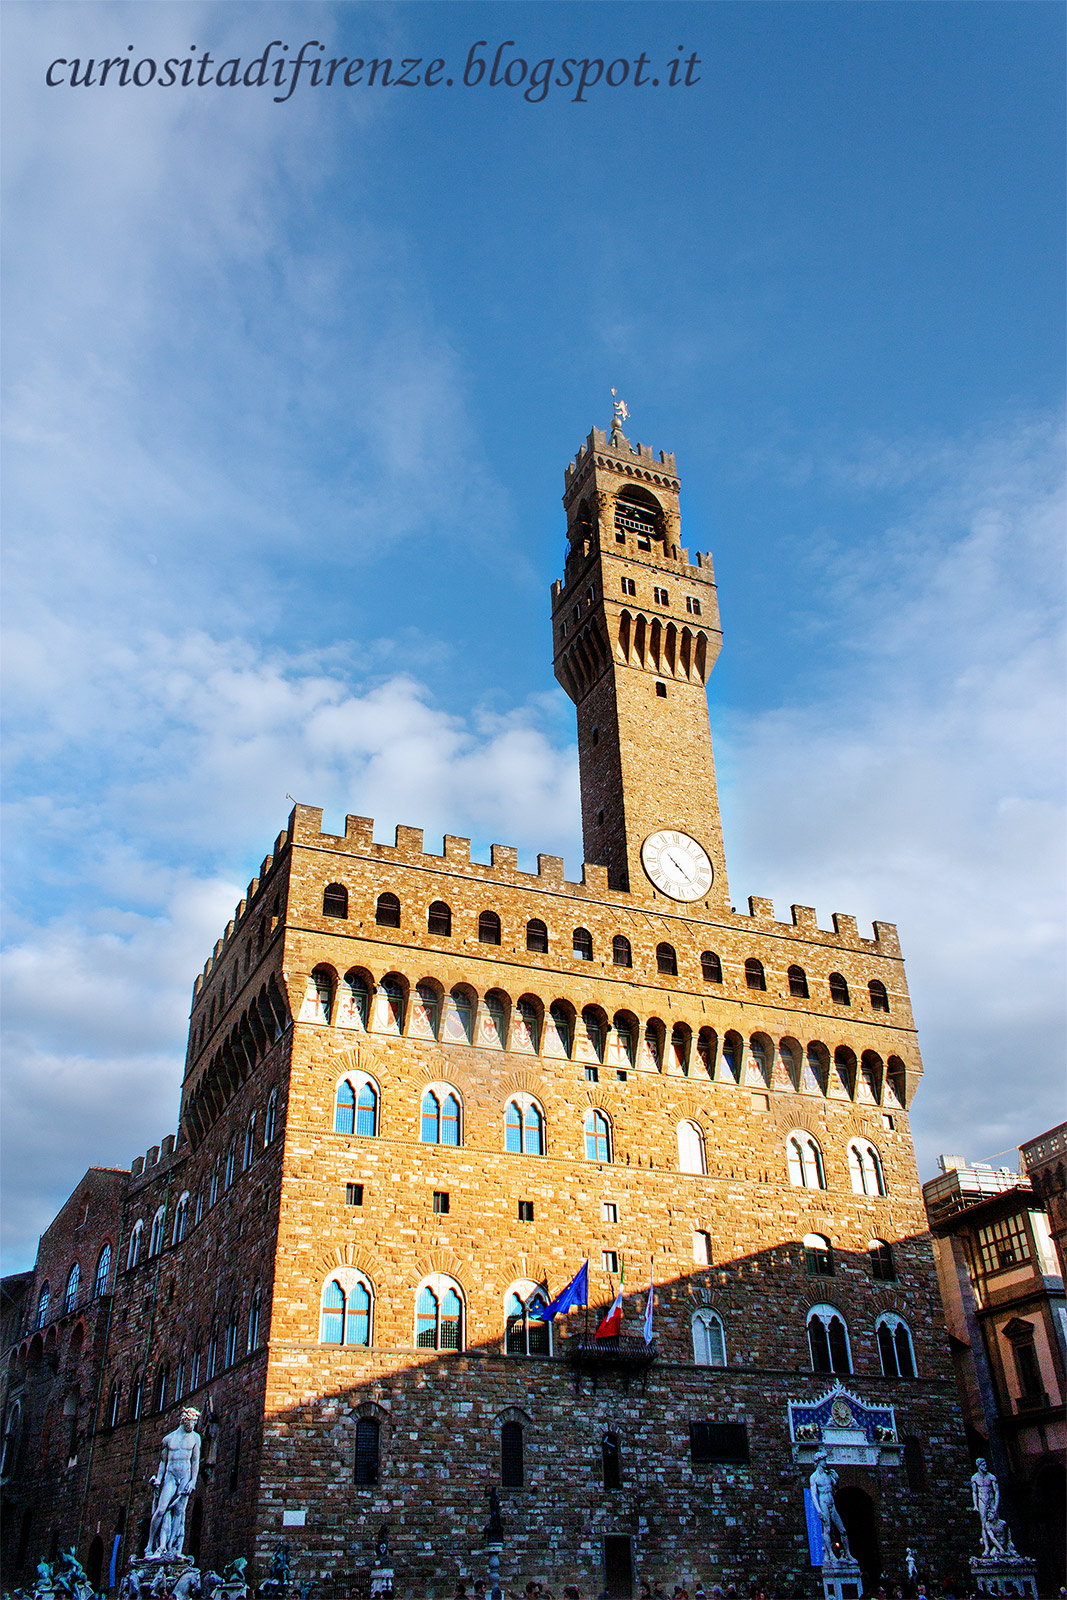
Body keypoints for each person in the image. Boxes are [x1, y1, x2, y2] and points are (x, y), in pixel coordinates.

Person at [147, 1408, 201, 1557]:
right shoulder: (168, 1439)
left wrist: (193, 1481)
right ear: (185, 1420)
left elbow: (195, 1461)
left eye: (195, 1422)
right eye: (192, 1422)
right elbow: (163, 1463)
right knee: (161, 1509)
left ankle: (173, 1547)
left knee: (179, 1511)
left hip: (185, 1476)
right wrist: (159, 1479)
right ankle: (150, 1544)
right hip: (171, 1476)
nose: (194, 1425)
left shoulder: (195, 1438)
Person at [809, 1450, 852, 1561]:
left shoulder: (828, 1474)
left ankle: (848, 1553)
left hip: (831, 1503)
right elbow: (813, 1495)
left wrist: (835, 1477)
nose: (825, 1462)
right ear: (818, 1461)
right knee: (827, 1529)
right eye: (823, 1460)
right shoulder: (814, 1477)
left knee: (843, 1530)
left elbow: (835, 1485)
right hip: (823, 1502)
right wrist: (819, 1511)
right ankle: (831, 1555)